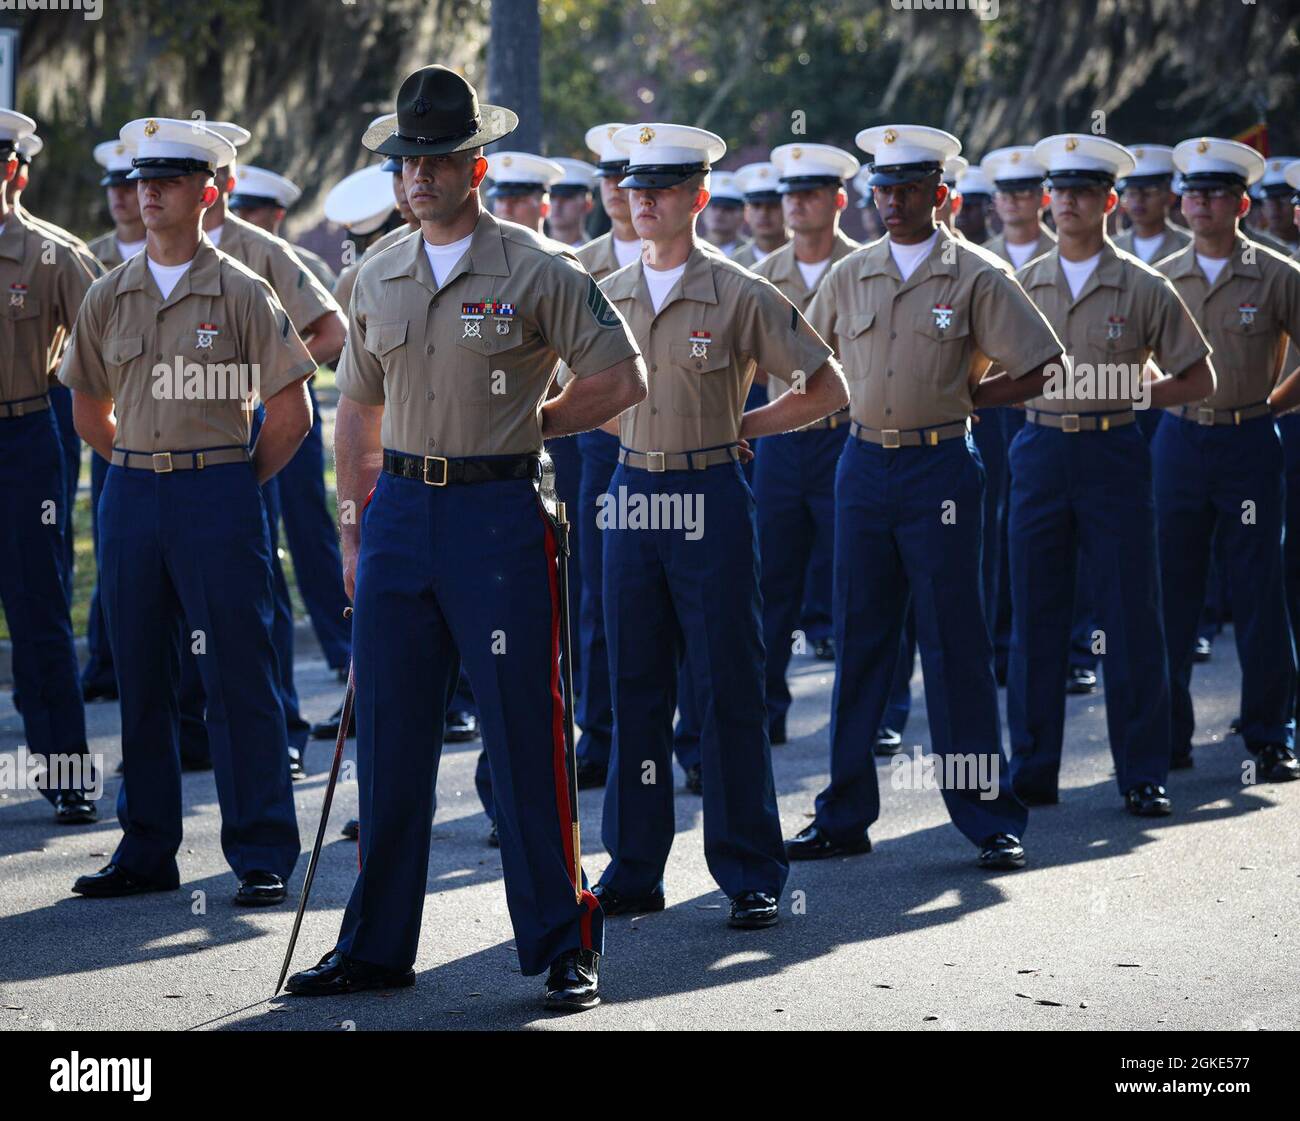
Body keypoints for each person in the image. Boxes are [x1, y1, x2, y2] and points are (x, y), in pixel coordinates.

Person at [284, 66, 645, 1011]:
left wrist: (530, 424)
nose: (420, 176)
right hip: (401, 514)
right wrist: (357, 534)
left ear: (474, 165)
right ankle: (373, 946)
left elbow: (623, 377)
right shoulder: (375, 273)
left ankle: (563, 942)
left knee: (525, 733)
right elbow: (355, 414)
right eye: (408, 160)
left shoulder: (537, 267)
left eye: (438, 159)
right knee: (391, 740)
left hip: (498, 517)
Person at [787, 124, 1063, 871]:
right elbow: (814, 361)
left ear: (943, 195)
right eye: (884, 187)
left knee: (954, 643)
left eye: (910, 188)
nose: (894, 200)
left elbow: (1043, 364)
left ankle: (987, 817)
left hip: (940, 470)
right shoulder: (850, 275)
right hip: (862, 465)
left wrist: (976, 394)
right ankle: (843, 813)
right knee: (860, 640)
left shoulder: (975, 273)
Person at [592, 121, 847, 928]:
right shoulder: (605, 292)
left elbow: (828, 384)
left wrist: (751, 429)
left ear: (698, 197)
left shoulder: (739, 291)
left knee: (726, 684)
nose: (643, 201)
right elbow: (579, 392)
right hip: (634, 498)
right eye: (635, 188)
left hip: (711, 497)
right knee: (633, 684)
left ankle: (748, 869)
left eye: (660, 188)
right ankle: (634, 867)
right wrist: (638, 443)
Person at [61, 116, 314, 903]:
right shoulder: (109, 292)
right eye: (142, 181)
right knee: (140, 670)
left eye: (166, 180)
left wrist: (230, 480)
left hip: (219, 493)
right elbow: (87, 405)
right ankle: (145, 848)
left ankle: (262, 847)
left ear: (207, 192)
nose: (148, 193)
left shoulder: (242, 288)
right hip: (133, 492)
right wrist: (143, 469)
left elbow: (292, 411)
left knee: (239, 673)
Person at [1006, 133, 1213, 815]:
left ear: (1109, 201)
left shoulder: (1144, 285)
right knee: (1036, 611)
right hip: (1038, 451)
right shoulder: (1018, 281)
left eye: (1083, 191)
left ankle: (1143, 771)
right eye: (1059, 191)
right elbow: (980, 372)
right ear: (1047, 200)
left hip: (1113, 452)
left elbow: (1197, 377)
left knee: (1130, 612)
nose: (1068, 202)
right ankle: (1033, 769)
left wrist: (1127, 391)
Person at [1154, 136, 1300, 782]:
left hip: (1247, 439)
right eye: (1192, 193)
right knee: (1172, 589)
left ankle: (1270, 731)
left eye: (1214, 193)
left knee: (1258, 588)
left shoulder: (1276, 274)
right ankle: (1167, 732)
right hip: (1180, 441)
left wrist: (1272, 405)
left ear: (1242, 202)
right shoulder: (1161, 274)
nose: (1200, 203)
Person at [0, 108, 99, 826]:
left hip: (25, 439)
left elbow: (112, 341)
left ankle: (64, 770)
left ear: (12, 170)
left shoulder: (52, 257)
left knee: (37, 607)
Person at [749, 142, 860, 746]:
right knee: (773, 583)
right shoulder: (761, 273)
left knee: (861, 583)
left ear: (838, 200)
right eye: (790, 194)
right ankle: (766, 708)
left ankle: (875, 717)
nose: (796, 205)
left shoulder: (866, 268)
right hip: (783, 446)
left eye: (811, 193)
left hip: (848, 440)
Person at [983, 144, 1097, 695]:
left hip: (1064, 416)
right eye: (1003, 192)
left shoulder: (1072, 254)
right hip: (997, 410)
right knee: (1001, 528)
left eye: (1025, 191)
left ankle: (1076, 648)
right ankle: (1004, 645)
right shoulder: (980, 259)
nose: (1012, 201)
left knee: (1067, 532)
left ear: (1043, 199)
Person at [81, 138, 148, 704]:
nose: (124, 198)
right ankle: (104, 665)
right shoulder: (90, 257)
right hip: (112, 434)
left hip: (174, 437)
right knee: (112, 557)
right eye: (117, 188)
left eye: (133, 186)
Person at [228, 165, 338, 289]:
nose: (241, 217)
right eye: (237, 210)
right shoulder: (221, 259)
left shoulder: (308, 267)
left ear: (278, 214)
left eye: (251, 210)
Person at [1114, 145, 1192, 264]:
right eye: (1132, 192)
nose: (1139, 200)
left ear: (1170, 197)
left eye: (1150, 192)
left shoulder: (1190, 246)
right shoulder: (1112, 249)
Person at [731, 162, 788, 268]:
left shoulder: (804, 256)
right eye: (756, 206)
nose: (764, 213)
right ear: (746, 212)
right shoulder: (733, 264)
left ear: (786, 209)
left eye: (772, 205)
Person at [547, 158, 597, 247]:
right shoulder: (533, 255)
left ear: (587, 205)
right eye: (552, 197)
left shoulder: (597, 255)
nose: (557, 204)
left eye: (566, 197)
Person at [701, 170, 749, 257]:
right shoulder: (690, 251)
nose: (719, 213)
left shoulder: (753, 251)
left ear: (743, 214)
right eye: (714, 207)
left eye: (728, 208)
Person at [954, 163, 994, 244]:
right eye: (957, 206)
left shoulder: (1000, 249)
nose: (961, 212)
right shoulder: (942, 251)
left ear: (988, 208)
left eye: (968, 206)